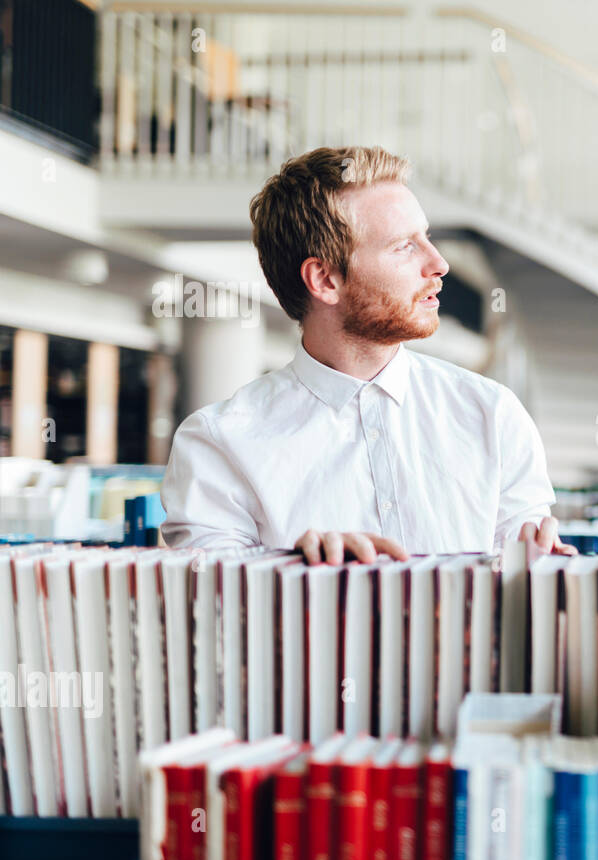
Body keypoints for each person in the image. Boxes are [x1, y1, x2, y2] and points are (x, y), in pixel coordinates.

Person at [161, 146, 576, 564]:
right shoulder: (217, 445)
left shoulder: (494, 416)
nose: (439, 263)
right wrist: (296, 576)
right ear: (324, 279)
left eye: (427, 237)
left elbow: (526, 593)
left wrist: (547, 570)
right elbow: (212, 611)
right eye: (403, 246)